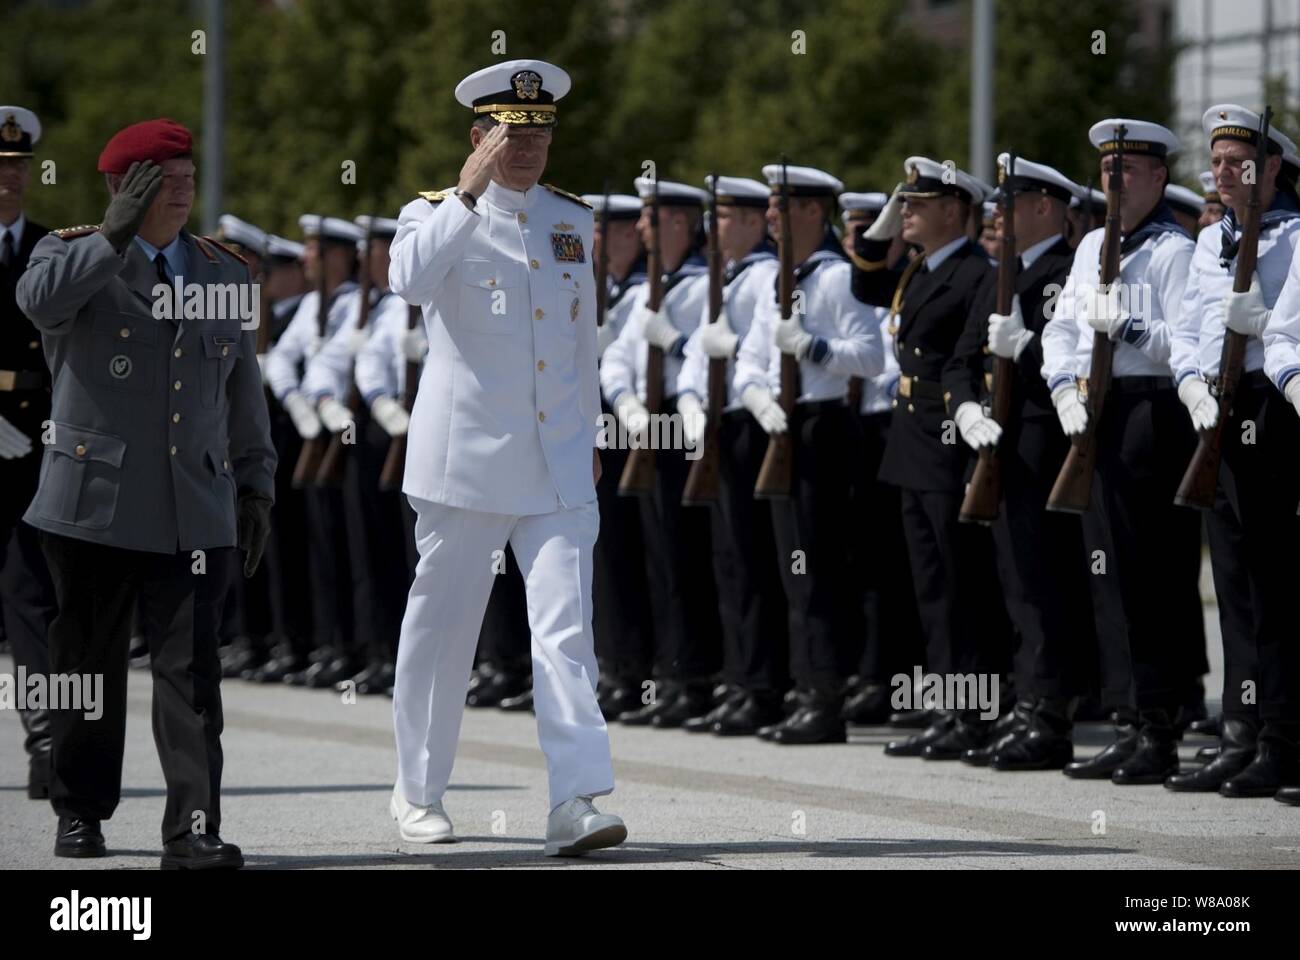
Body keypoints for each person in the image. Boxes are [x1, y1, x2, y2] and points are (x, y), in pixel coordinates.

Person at [16, 118, 275, 868]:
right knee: (86, 671)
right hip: (92, 505)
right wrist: (113, 236)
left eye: (189, 178)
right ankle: (80, 813)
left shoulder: (223, 271)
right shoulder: (69, 254)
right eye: (164, 181)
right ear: (120, 186)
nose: (183, 191)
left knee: (192, 677)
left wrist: (254, 483)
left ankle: (192, 830)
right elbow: (37, 305)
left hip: (192, 507)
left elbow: (240, 390)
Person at [388, 59, 625, 856]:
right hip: (466, 464)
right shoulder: (433, 214)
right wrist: (464, 192)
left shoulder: (571, 218)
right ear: (479, 136)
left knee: (565, 633)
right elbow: (409, 284)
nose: (526, 147)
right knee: (444, 632)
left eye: (540, 131)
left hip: (557, 464)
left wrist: (590, 436)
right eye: (510, 133)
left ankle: (576, 799)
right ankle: (419, 791)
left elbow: (578, 342)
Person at [1041, 118, 1201, 785]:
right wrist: (1062, 391)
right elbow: (1062, 329)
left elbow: (1188, 341)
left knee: (1151, 573)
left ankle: (1160, 724)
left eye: (1128, 169)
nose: (1114, 179)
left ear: (1158, 177)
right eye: (1108, 169)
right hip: (1095, 409)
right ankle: (1127, 716)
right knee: (1105, 572)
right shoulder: (1092, 249)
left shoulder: (1174, 251)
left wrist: (1129, 324)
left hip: (1149, 411)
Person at [940, 153, 1096, 770]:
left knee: (1042, 583)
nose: (998, 215)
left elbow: (1076, 363)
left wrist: (1026, 351)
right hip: (993, 444)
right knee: (1009, 582)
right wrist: (967, 410)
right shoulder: (997, 273)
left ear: (1044, 208)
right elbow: (957, 359)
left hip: (1040, 446)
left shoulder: (1063, 271)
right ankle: (1025, 703)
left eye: (1010, 204)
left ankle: (1049, 713)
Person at [851, 157, 1009, 759]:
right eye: (904, 204)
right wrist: (885, 227)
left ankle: (976, 712)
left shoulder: (976, 274)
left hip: (948, 441)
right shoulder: (917, 267)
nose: (907, 212)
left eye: (917, 205)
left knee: (963, 583)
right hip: (910, 442)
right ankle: (948, 707)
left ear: (954, 211)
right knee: (932, 586)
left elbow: (962, 363)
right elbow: (864, 283)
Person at [735, 163, 883, 745]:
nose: (770, 214)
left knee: (817, 568)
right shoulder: (781, 278)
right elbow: (750, 357)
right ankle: (804, 687)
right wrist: (756, 398)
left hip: (823, 428)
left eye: (782, 204)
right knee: (790, 567)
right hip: (780, 427)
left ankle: (825, 697)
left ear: (813, 212)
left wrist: (814, 347)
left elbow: (869, 357)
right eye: (769, 203)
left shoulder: (836, 279)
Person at [676, 174, 790, 736]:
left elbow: (763, 352)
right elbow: (700, 354)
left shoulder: (767, 275)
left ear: (748, 221)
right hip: (717, 425)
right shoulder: (725, 276)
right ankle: (741, 679)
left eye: (722, 216)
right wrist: (691, 402)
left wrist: (734, 354)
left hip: (748, 424)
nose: (712, 227)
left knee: (752, 560)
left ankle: (764, 686)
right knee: (729, 560)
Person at [0, 104, 54, 801]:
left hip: (34, 455)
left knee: (34, 605)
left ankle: (47, 744)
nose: (9, 180)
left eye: (16, 168)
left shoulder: (50, 248)